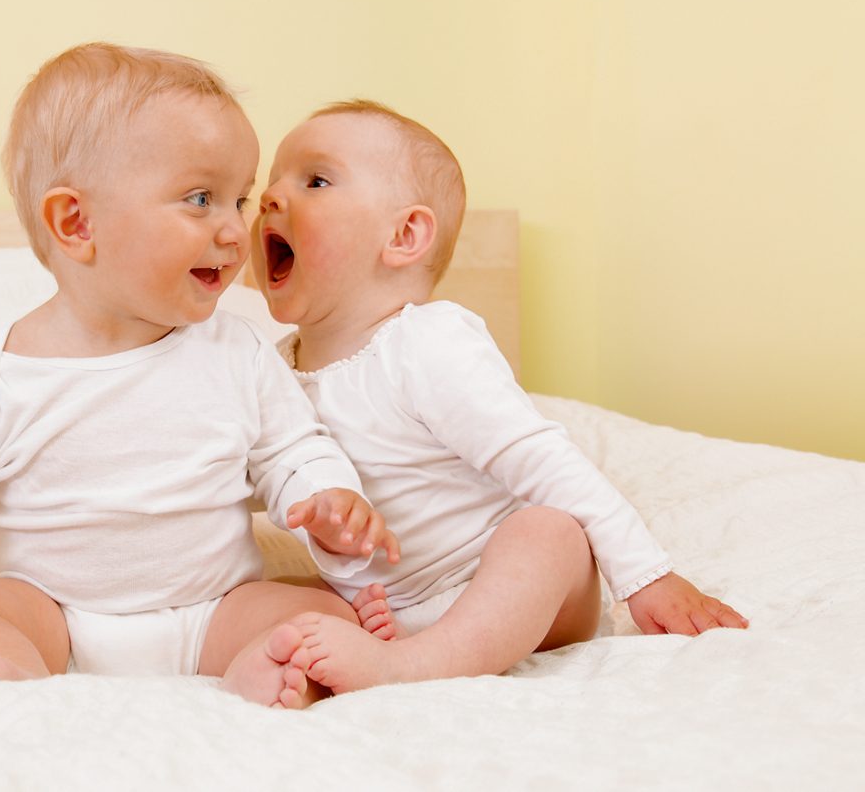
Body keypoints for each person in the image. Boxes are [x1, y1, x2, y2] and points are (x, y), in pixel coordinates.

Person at [0, 46, 400, 709]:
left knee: (331, 615)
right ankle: (13, 673)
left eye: (240, 199)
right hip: (54, 618)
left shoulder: (238, 350)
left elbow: (293, 450)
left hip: (213, 613)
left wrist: (327, 500)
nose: (237, 230)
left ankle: (258, 670)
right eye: (201, 199)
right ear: (77, 223)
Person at [251, 99, 747, 694]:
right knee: (250, 596)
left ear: (404, 235)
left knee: (549, 532)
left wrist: (646, 578)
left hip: (512, 591)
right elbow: (246, 482)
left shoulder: (425, 343)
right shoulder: (267, 371)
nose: (271, 196)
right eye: (273, 180)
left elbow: (542, 459)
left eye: (315, 180)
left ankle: (411, 666)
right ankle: (334, 660)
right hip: (381, 604)